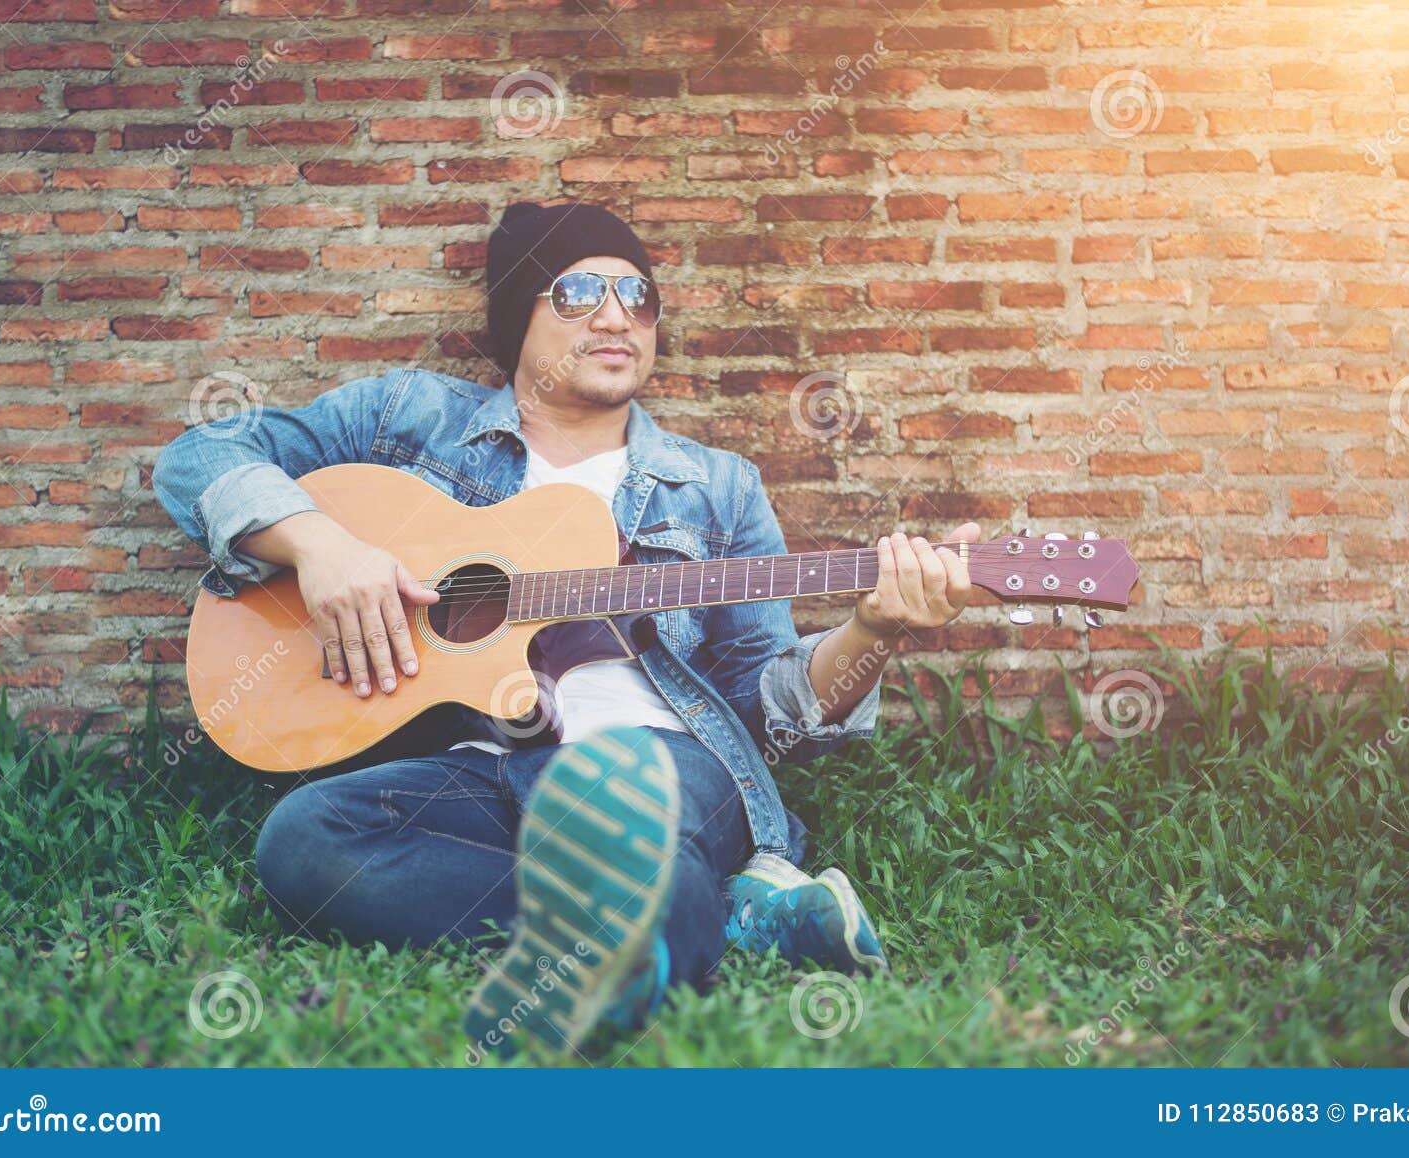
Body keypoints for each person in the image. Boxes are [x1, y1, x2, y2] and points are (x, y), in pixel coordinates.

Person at [152, 201, 976, 1057]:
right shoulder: (410, 419)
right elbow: (196, 459)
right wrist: (319, 545)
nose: (618, 315)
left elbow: (766, 715)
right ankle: (724, 917)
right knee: (305, 842)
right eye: (580, 290)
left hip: (651, 759)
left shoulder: (716, 486)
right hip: (472, 768)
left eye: (639, 295)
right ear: (520, 314)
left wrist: (874, 633)